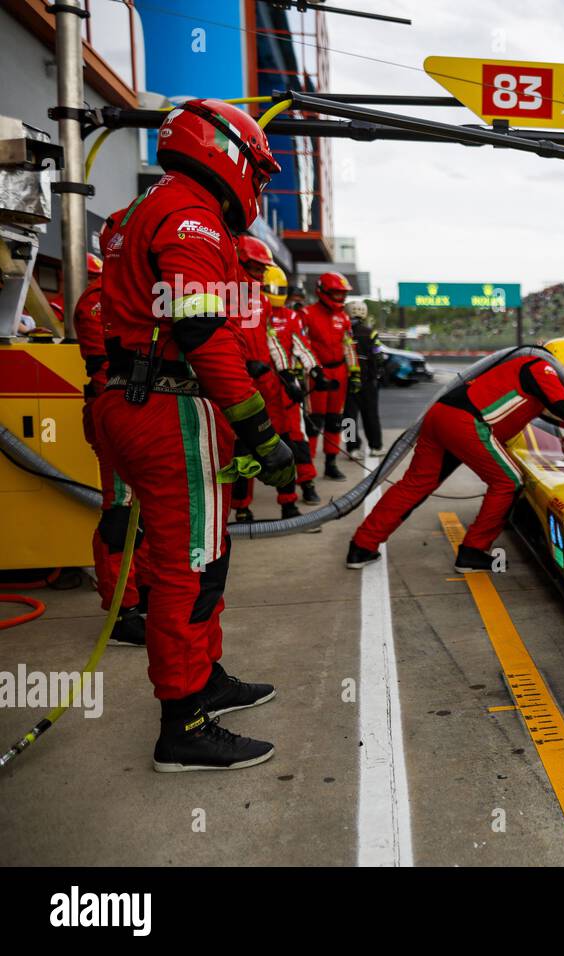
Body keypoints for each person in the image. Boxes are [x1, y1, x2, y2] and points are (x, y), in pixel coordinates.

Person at [97, 98, 292, 771]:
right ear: (228, 154)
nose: (259, 188)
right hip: (171, 410)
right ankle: (183, 724)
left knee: (197, 557)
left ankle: (204, 680)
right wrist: (264, 436)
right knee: (190, 568)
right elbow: (202, 333)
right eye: (258, 173)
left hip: (134, 401)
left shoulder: (141, 211)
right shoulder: (192, 218)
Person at [345, 339, 564, 572]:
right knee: (509, 482)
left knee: (413, 486)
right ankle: (473, 552)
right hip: (468, 422)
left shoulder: (526, 368)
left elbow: (561, 417)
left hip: (443, 415)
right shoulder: (542, 367)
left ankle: (362, 546)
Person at [76, 244, 147, 647]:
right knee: (119, 513)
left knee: (146, 513)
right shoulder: (99, 299)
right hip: (115, 411)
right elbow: (109, 366)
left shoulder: (138, 291)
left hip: (140, 413)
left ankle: (142, 593)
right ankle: (122, 610)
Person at [228, 235, 307, 524]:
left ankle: (289, 503)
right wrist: (247, 364)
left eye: (264, 269)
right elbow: (216, 342)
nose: (261, 274)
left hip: (270, 386)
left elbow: (270, 338)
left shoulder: (262, 300)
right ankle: (242, 508)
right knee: (243, 451)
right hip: (239, 386)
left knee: (283, 443)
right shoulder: (220, 296)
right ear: (238, 262)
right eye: (256, 268)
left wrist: (286, 372)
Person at [264, 264, 322, 504]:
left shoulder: (291, 317)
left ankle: (307, 483)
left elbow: (301, 345)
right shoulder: (249, 313)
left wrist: (316, 370)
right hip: (254, 387)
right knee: (252, 444)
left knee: (297, 438)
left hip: (287, 387)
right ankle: (241, 505)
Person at [300, 272, 358, 480]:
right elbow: (301, 346)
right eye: (336, 293)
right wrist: (311, 370)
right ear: (323, 291)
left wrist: (355, 372)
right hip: (316, 374)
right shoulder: (306, 314)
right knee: (314, 422)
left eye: (343, 294)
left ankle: (331, 464)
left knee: (335, 420)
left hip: (339, 372)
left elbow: (348, 346)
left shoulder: (343, 317)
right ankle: (307, 468)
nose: (340, 298)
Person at [342, 298, 383, 456]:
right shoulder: (371, 333)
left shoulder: (344, 332)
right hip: (368, 381)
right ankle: (375, 446)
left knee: (349, 416)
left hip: (348, 380)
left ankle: (352, 448)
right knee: (370, 414)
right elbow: (378, 356)